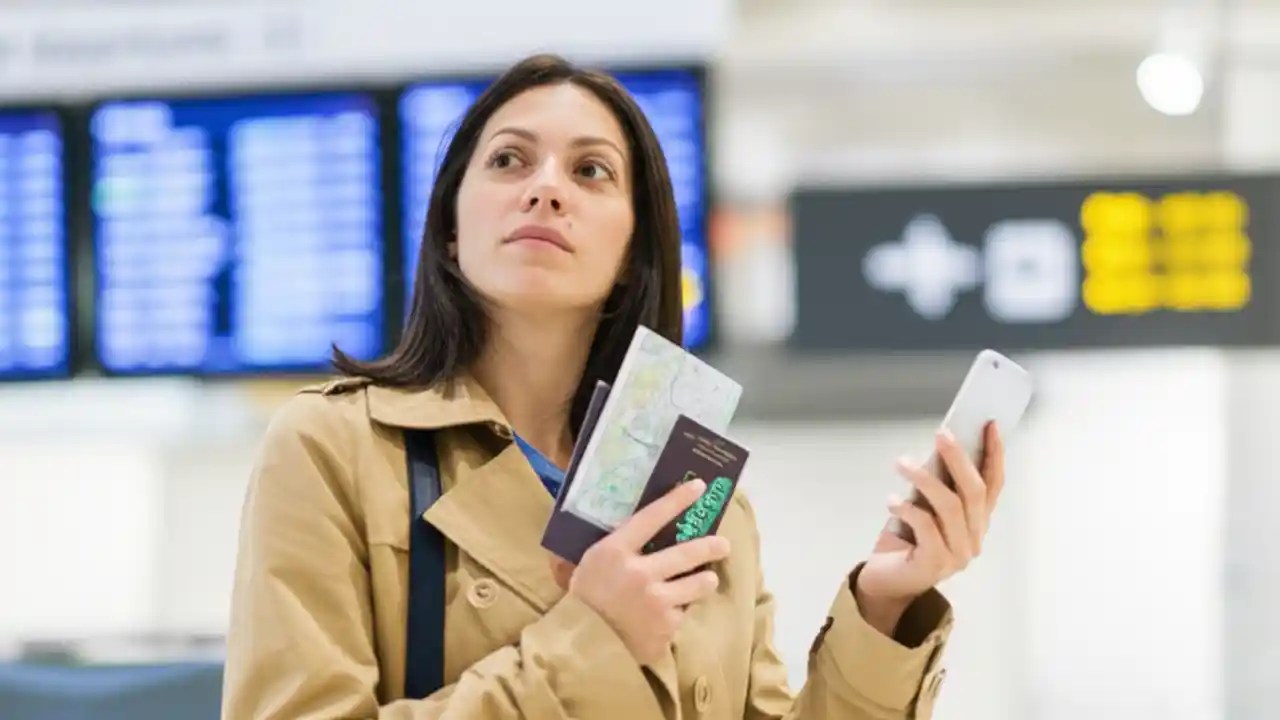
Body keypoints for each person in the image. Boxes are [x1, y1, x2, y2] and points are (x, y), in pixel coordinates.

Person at [221, 53, 1007, 720]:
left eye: (591, 170)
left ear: (634, 249)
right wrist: (589, 635)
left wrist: (885, 602)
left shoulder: (706, 497)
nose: (546, 188)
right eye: (508, 161)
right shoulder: (336, 447)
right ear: (452, 232)